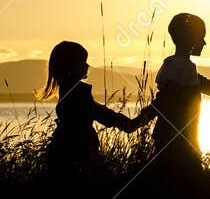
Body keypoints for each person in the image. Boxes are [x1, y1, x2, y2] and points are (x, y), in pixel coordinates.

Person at [144, 12, 210, 168]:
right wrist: (137, 122)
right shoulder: (182, 67)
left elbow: (207, 86)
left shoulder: (178, 65)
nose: (204, 43)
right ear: (189, 39)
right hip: (178, 145)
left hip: (175, 140)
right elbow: (164, 101)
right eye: (201, 37)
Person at [42, 40, 151, 175]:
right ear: (71, 66)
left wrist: (135, 122)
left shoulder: (68, 93)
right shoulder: (79, 96)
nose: (87, 65)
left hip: (62, 159)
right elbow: (113, 120)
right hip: (77, 162)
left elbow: (110, 118)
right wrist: (147, 115)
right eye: (83, 61)